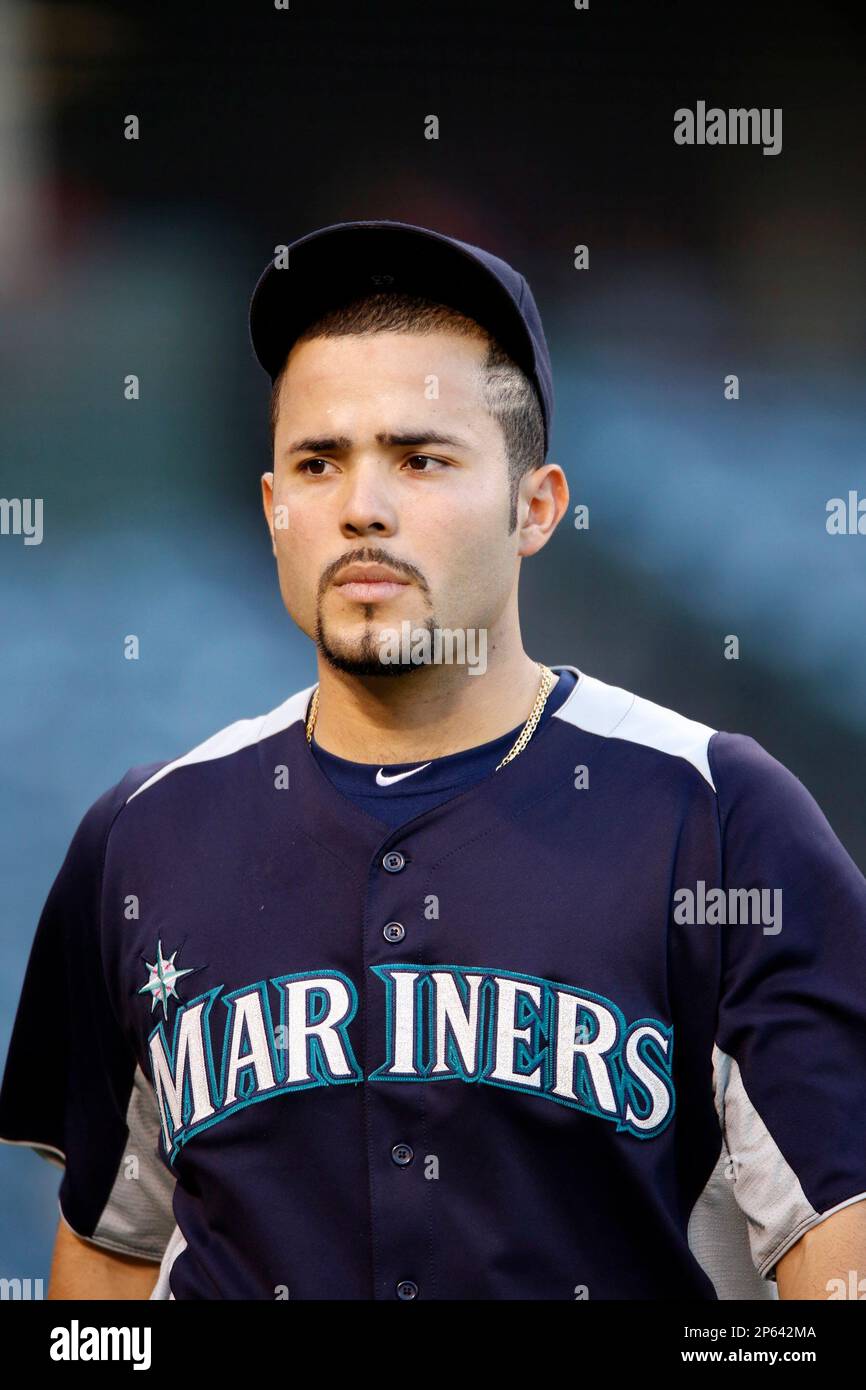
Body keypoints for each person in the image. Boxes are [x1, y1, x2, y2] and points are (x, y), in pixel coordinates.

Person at [2, 220, 865, 1301]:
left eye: (420, 458)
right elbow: (108, 1262)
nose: (361, 505)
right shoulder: (140, 838)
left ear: (535, 507)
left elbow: (838, 1257)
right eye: (318, 462)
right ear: (273, 511)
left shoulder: (720, 816)